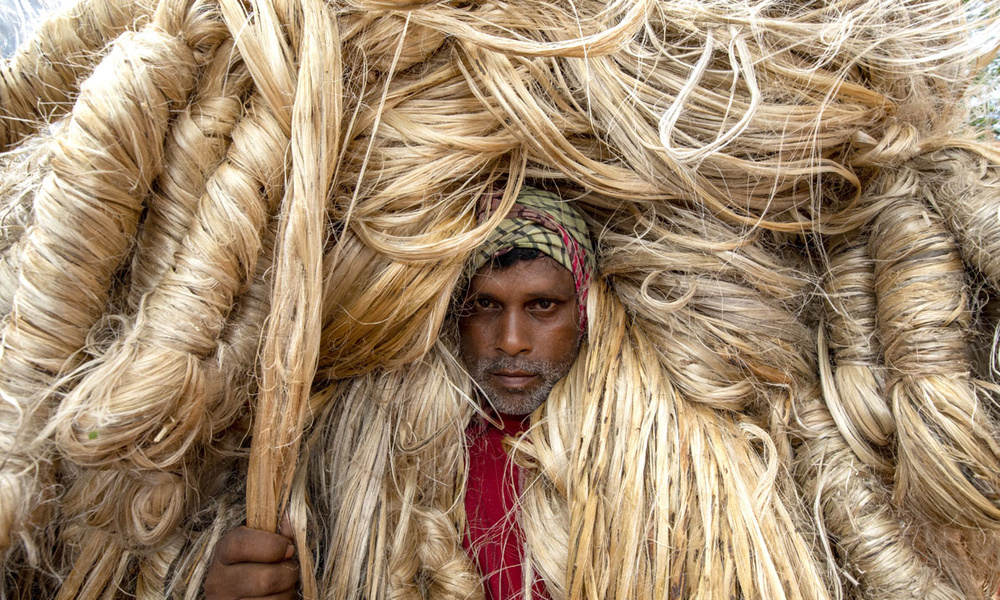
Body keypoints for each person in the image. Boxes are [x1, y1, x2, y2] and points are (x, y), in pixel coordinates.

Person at [204, 187, 595, 600]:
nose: (511, 341)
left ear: (584, 308)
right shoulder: (377, 452)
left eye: (543, 305)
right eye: (484, 303)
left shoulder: (627, 455)